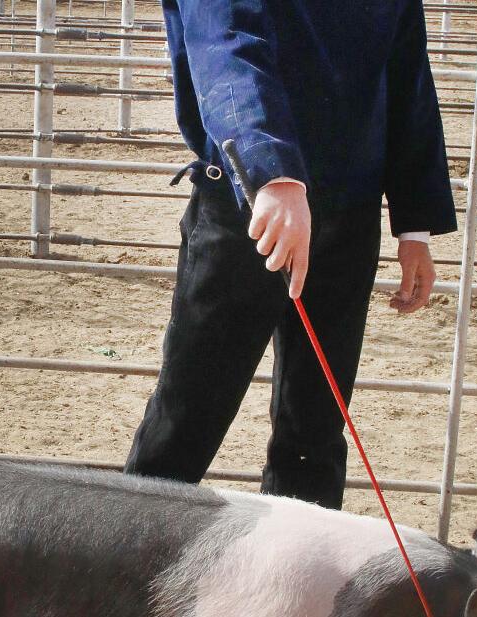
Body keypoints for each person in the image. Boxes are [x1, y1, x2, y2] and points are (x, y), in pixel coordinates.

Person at [123, 0, 458, 510]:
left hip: (348, 214)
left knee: (316, 434)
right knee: (188, 418)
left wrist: (415, 225)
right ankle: (126, 572)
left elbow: (407, 72)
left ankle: (299, 583)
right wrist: (273, 172)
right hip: (250, 211)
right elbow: (226, 40)